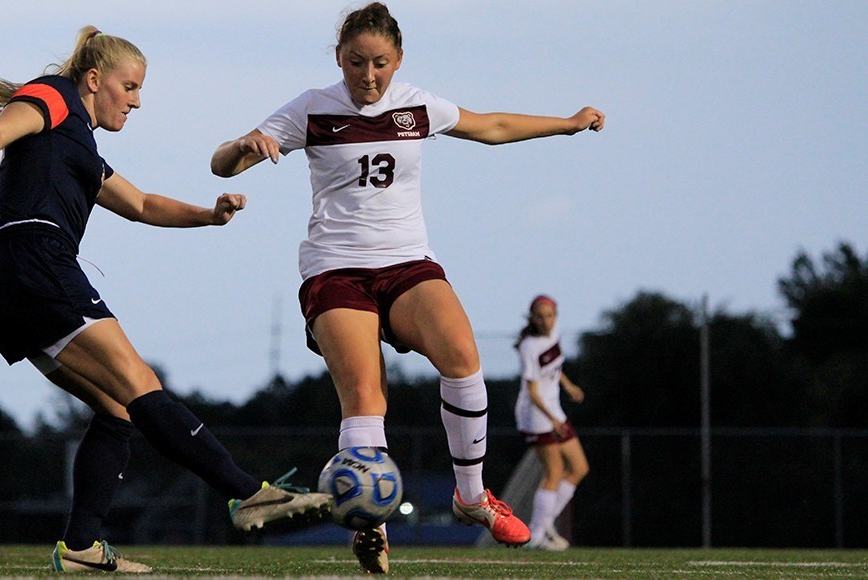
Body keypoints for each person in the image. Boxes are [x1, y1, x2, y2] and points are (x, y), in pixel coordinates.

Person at [210, 2, 603, 573]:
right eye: (354, 63)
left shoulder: (416, 104)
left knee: (464, 358)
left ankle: (471, 496)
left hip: (406, 262)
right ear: (338, 59)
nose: (367, 77)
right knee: (367, 398)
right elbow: (221, 165)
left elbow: (490, 126)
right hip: (336, 269)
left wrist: (565, 123)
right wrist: (244, 147)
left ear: (398, 60)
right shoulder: (311, 109)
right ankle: (371, 523)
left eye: (380, 64)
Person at [0, 26, 332, 574]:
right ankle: (247, 493)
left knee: (118, 407)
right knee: (140, 383)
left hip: (6, 278)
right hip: (36, 260)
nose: (138, 100)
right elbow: (6, 123)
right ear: (94, 80)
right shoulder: (55, 94)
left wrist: (209, 215)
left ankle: (80, 547)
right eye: (131, 86)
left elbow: (141, 203)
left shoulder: (75, 140)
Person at [514, 295, 590, 550]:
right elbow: (533, 392)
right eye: (541, 316)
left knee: (579, 468)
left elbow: (555, 368)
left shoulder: (554, 333)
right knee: (554, 472)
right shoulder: (529, 346)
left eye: (550, 315)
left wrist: (568, 387)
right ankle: (536, 534)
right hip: (536, 415)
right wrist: (552, 419)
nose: (546, 321)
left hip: (554, 411)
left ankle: (544, 525)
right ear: (532, 318)